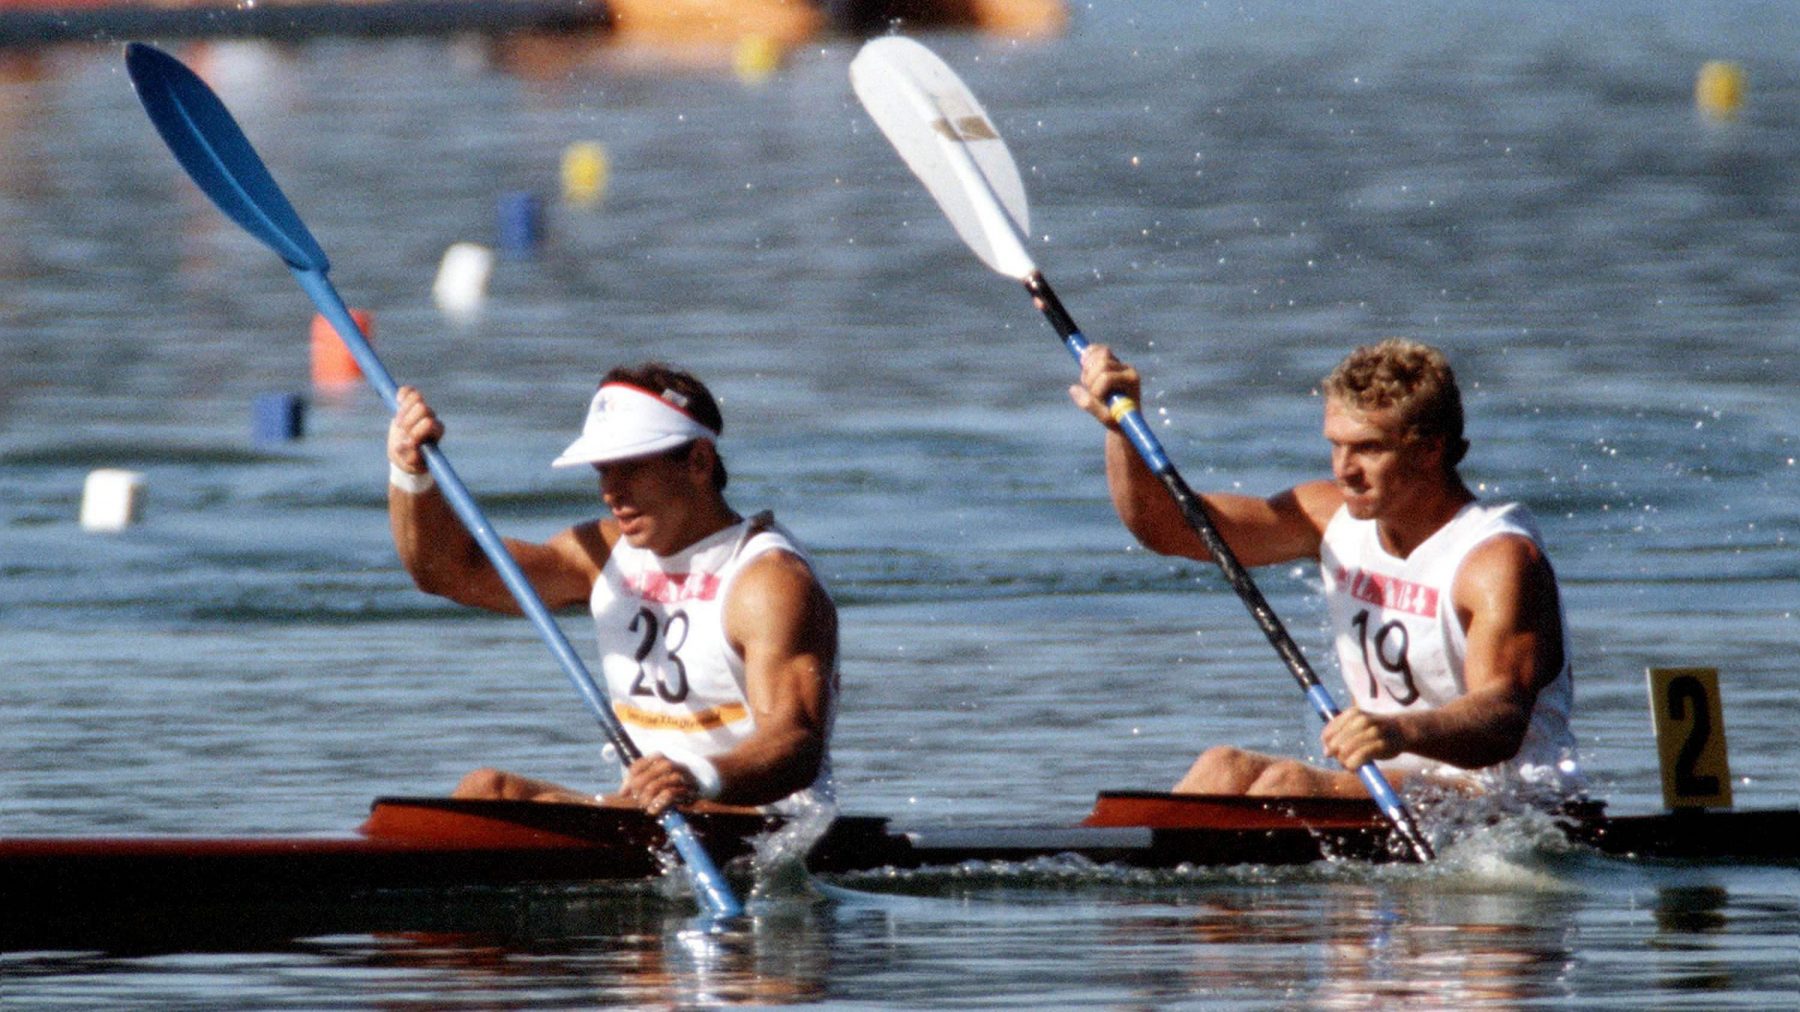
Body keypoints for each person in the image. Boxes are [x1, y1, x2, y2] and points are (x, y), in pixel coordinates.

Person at [1069, 338, 1581, 799]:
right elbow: (1166, 528)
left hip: (1501, 800)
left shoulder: (1496, 560)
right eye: (1336, 444)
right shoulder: (1327, 516)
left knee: (1287, 785)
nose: (1344, 469)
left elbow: (1502, 719)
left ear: (1430, 451)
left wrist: (1397, 731)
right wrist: (1120, 427)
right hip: (1388, 784)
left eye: (1369, 448)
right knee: (1221, 767)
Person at [387, 362, 838, 817]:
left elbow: (796, 742)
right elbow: (444, 571)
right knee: (487, 790)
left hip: (759, 818)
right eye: (604, 470)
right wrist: (411, 473)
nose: (611, 491)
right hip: (650, 809)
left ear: (699, 462)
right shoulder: (599, 555)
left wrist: (697, 776)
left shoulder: (768, 580)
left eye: (630, 467)